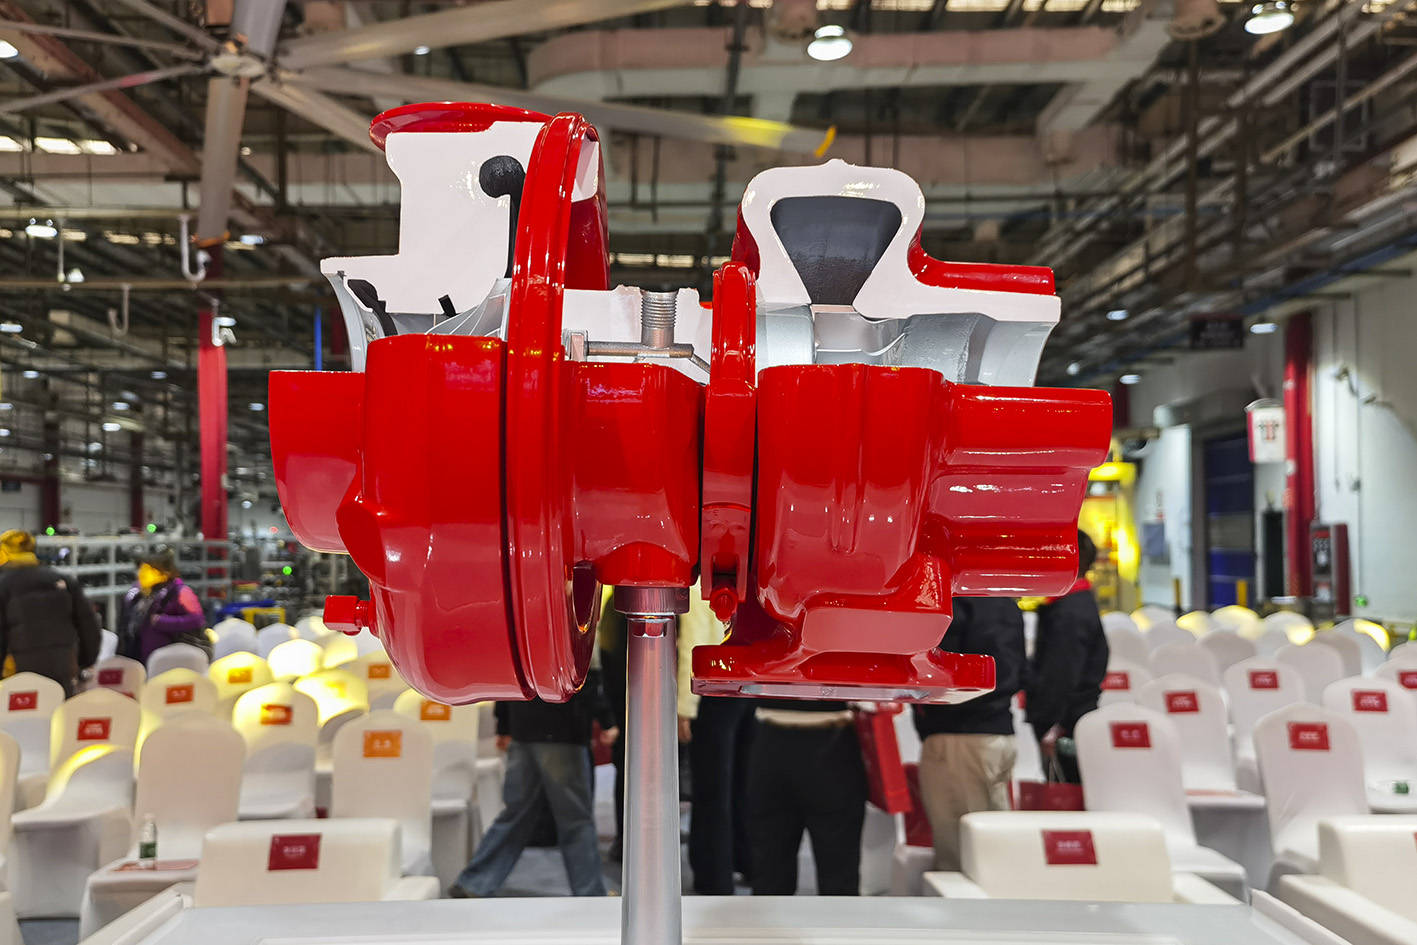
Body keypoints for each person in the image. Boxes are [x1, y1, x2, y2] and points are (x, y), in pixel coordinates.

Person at [742, 602, 867, 897]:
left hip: (776, 736)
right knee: (837, 877)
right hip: (826, 739)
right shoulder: (850, 596)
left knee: (771, 874)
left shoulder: (767, 595)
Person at [449, 679, 618, 898]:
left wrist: (504, 725)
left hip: (523, 729)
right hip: (563, 730)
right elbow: (583, 678)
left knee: (515, 814)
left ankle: (474, 883)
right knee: (576, 820)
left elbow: (508, 678)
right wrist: (607, 720)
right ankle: (590, 893)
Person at [912, 595, 1025, 870]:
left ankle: (973, 899)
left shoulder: (955, 603)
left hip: (959, 736)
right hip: (996, 732)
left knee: (961, 851)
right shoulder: (1004, 601)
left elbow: (942, 671)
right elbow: (1017, 671)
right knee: (993, 843)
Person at [678, 586, 756, 895]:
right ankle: (747, 862)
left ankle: (715, 876)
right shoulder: (743, 581)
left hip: (713, 690)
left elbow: (694, 643)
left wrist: (685, 706)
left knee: (712, 789)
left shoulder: (701, 586)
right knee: (741, 783)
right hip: (746, 685)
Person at [1026, 530, 1109, 783]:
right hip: (1069, 721)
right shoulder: (1076, 604)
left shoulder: (1069, 613)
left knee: (1066, 792)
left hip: (1065, 725)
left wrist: (1054, 724)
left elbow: (1062, 675)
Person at [0, 529, 101, 696]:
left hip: (17, 675)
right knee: (60, 710)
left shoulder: (3, 585)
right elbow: (89, 627)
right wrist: (83, 663)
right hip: (62, 670)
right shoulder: (64, 580)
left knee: (23, 712)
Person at [117, 549, 208, 664]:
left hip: (171, 661)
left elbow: (197, 620)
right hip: (138, 659)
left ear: (164, 573)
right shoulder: (136, 593)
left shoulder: (180, 591)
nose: (141, 573)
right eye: (141, 569)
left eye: (148, 570)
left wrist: (162, 621)